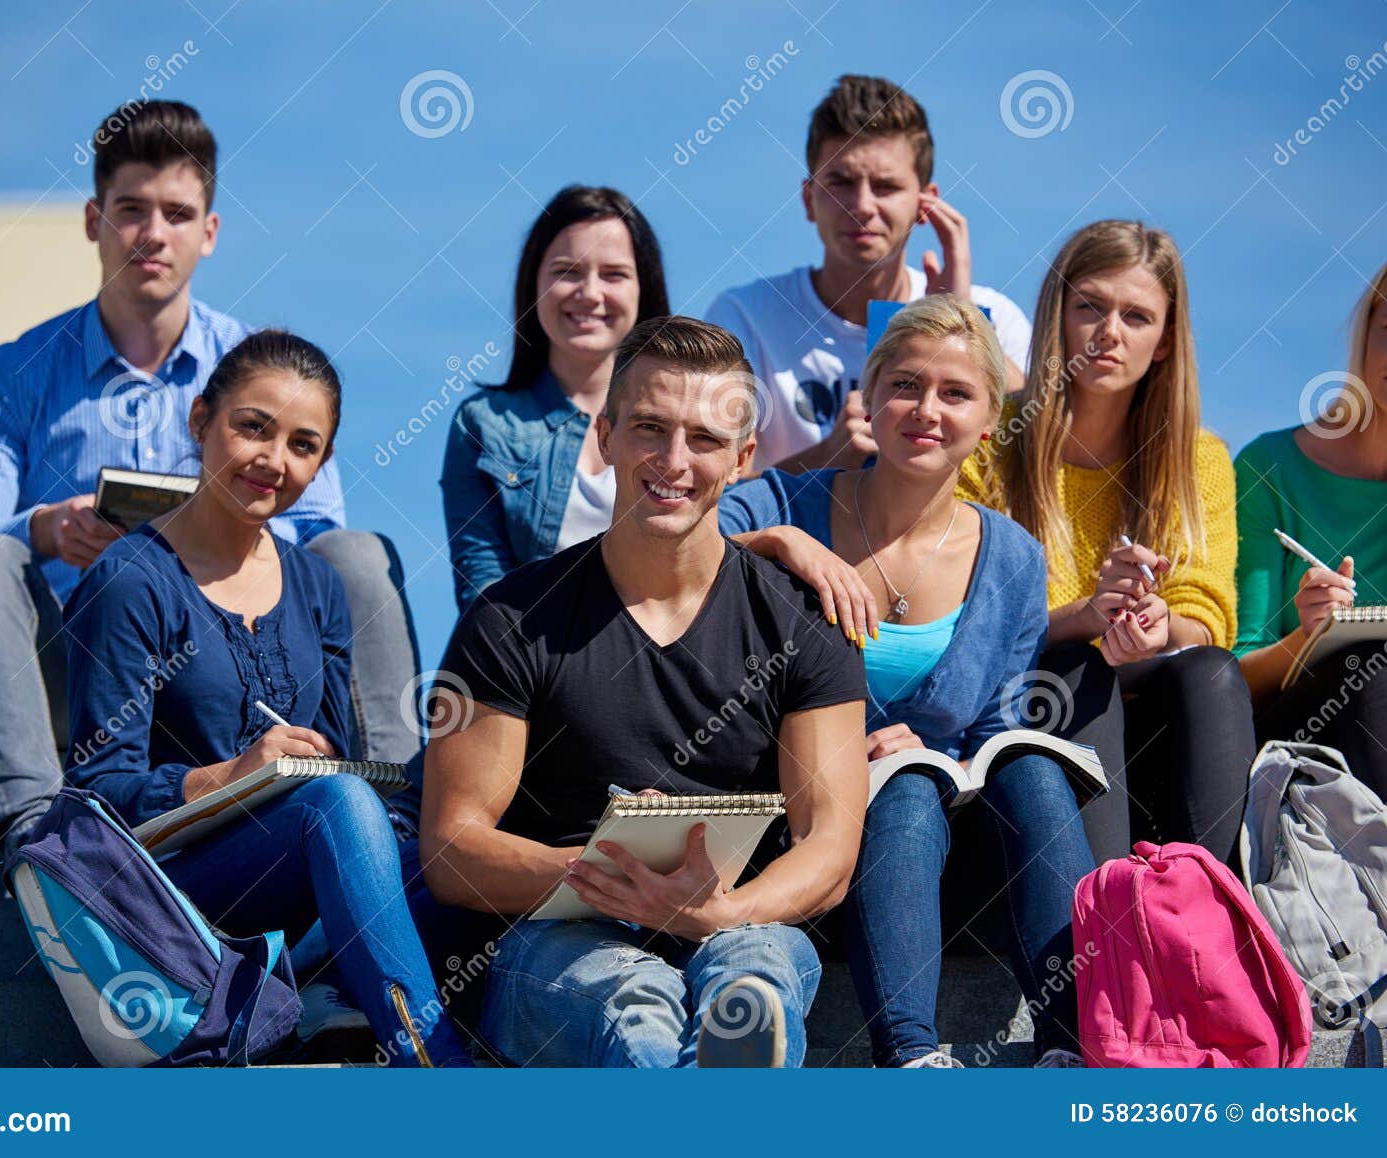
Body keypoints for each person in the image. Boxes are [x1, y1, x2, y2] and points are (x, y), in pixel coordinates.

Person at [0, 101, 408, 865]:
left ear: (209, 231)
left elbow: (317, 540)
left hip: (226, 678)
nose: (153, 234)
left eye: (178, 213)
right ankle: (37, 842)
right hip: (71, 672)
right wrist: (45, 530)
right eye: (131, 211)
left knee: (355, 553)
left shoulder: (269, 373)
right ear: (93, 220)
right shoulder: (9, 377)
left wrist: (211, 543)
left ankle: (395, 812)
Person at [420, 317, 869, 1068]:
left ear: (743, 457)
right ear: (605, 436)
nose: (673, 461)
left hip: (743, 921)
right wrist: (606, 875)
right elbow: (453, 849)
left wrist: (717, 911)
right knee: (637, 1006)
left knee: (751, 984)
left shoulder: (804, 622)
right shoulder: (507, 618)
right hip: (558, 935)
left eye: (703, 439)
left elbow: (830, 844)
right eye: (649, 429)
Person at [62, 330, 469, 1067]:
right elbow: (95, 794)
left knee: (461, 853)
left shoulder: (317, 586)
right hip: (174, 892)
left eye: (303, 445)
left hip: (297, 874)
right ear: (198, 422)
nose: (273, 460)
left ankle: (332, 989)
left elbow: (333, 756)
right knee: (335, 805)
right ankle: (432, 1062)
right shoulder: (130, 580)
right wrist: (232, 775)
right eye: (253, 427)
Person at [719, 295, 1093, 1068]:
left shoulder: (1015, 559)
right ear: (870, 391)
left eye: (955, 394)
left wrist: (944, 755)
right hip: (796, 840)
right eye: (905, 385)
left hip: (934, 861)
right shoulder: (787, 503)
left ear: (991, 420)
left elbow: (993, 725)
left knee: (1024, 765)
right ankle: (914, 1061)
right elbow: (669, 546)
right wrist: (786, 543)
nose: (926, 410)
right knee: (905, 784)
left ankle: (1074, 1045)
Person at [959, 219, 1254, 866]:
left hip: (1152, 731)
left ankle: (1208, 913)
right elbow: (966, 622)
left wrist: (1158, 624)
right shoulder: (991, 441)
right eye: (1089, 306)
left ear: (1167, 340)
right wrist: (1086, 617)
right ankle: (1103, 931)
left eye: (1137, 316)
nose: (1109, 333)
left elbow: (1205, 612)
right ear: (1056, 314)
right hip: (1021, 728)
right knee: (1079, 665)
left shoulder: (1198, 458)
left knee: (1210, 670)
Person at [704, 74, 1032, 475]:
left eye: (885, 186)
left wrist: (964, 320)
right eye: (840, 182)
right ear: (809, 199)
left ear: (924, 202)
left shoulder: (995, 316)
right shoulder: (744, 318)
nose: (861, 205)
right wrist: (826, 460)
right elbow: (711, 486)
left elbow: (1041, 457)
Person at [441, 185, 670, 611]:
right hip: (532, 662)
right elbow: (482, 590)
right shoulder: (482, 424)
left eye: (614, 274)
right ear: (534, 285)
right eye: (567, 271)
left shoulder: (689, 418)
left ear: (645, 288)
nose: (590, 292)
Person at [1236, 260, 1387, 798]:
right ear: (1364, 335)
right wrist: (1308, 636)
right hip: (1306, 741)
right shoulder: (1270, 468)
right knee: (1370, 665)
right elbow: (1235, 675)